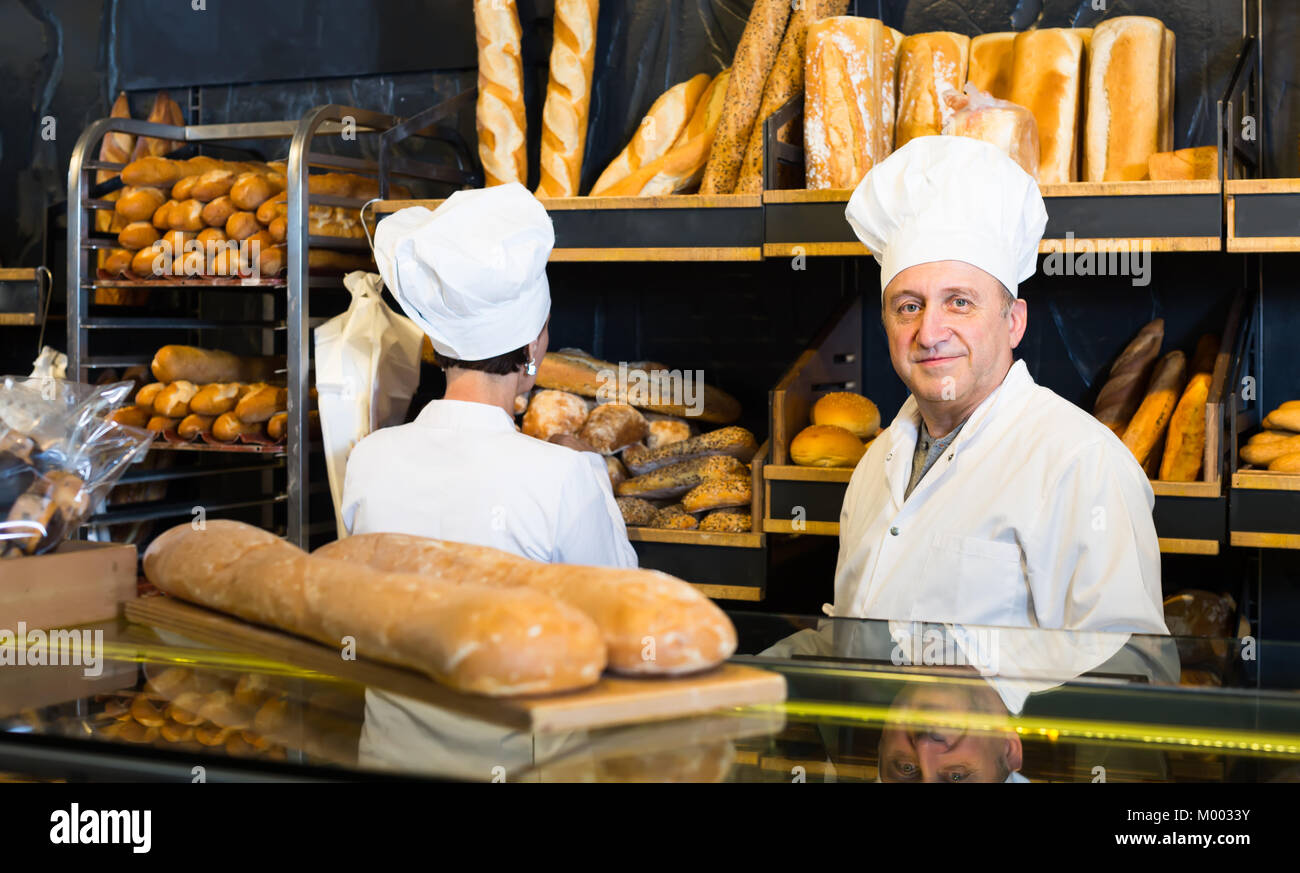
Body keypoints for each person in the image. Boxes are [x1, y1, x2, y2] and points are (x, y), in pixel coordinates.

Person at [831, 135, 1167, 635]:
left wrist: (985, 696)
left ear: (1014, 322)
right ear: (887, 327)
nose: (930, 332)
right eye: (908, 306)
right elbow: (850, 642)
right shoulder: (872, 467)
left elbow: (1134, 667)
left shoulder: (1082, 463)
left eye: (960, 302)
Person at [340, 182, 635, 569]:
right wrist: (590, 469)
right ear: (532, 347)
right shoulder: (564, 476)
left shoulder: (369, 457)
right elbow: (615, 601)